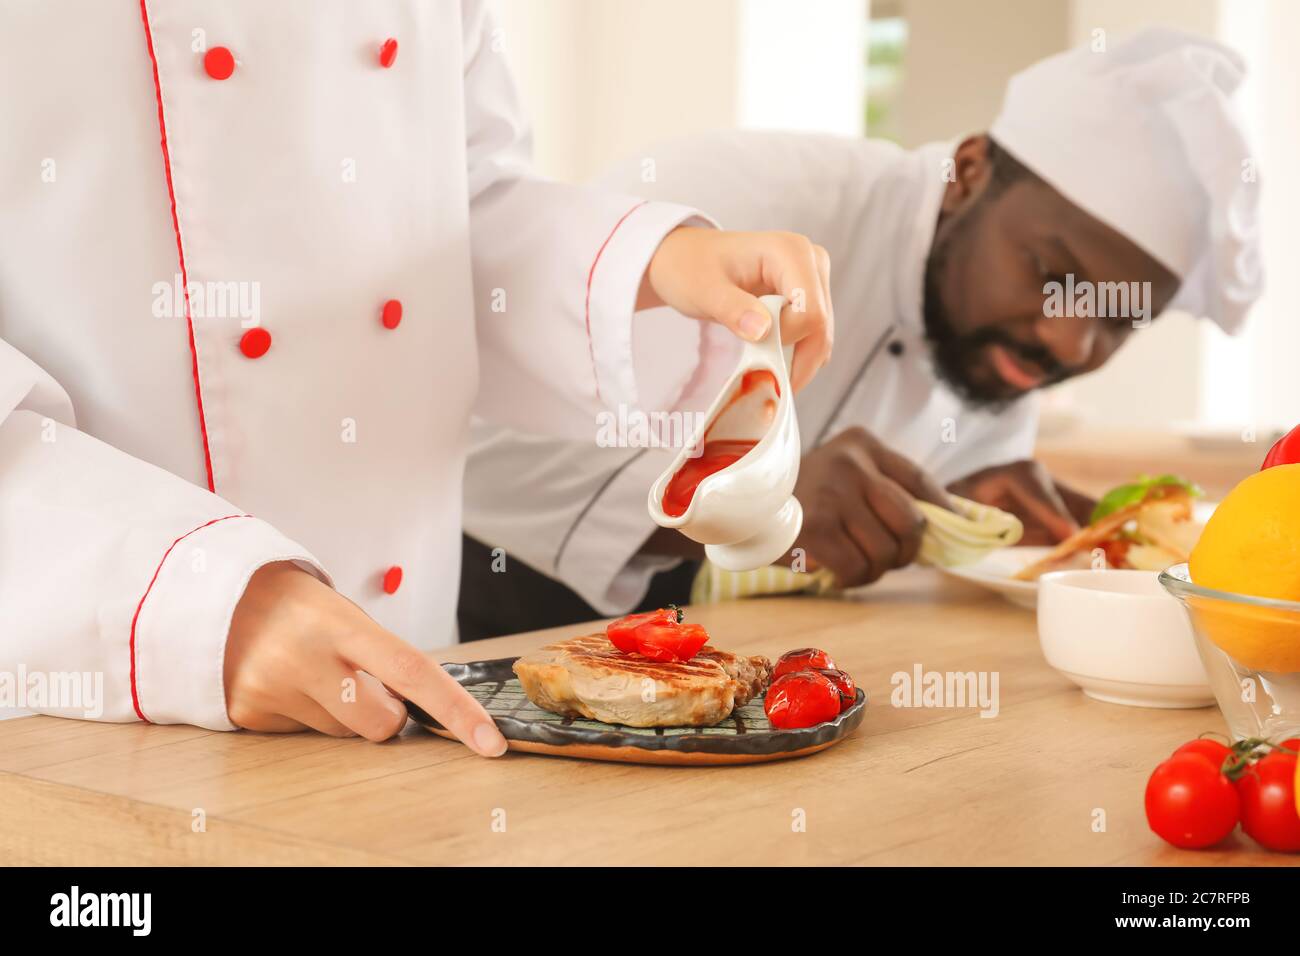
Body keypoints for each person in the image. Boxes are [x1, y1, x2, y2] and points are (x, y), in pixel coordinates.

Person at [0, 1, 835, 752]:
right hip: (94, 675)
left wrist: (649, 264)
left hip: (416, 686)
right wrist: (192, 602)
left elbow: (445, 217)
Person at [459, 27, 1263, 641]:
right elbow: (479, 441)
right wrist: (751, 511)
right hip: (467, 611)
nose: (1069, 343)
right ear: (971, 171)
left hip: (677, 655)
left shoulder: (993, 345)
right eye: (1052, 274)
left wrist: (967, 505)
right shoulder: (749, 200)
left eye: (1119, 318)